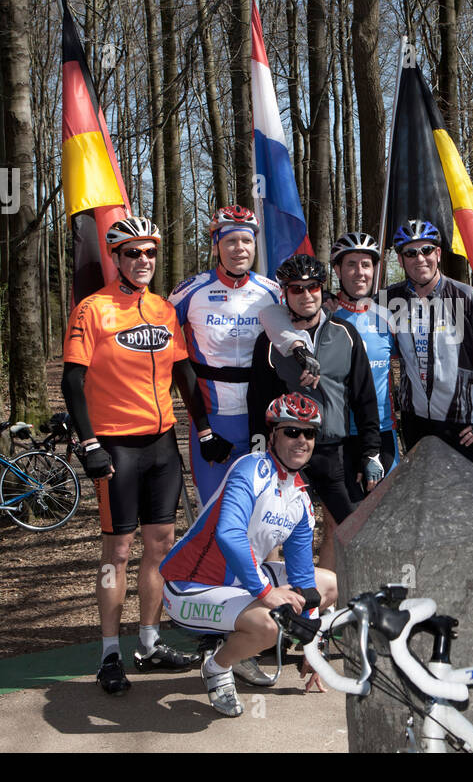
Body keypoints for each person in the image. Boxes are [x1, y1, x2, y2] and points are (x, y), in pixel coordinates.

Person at [61, 216, 199, 695]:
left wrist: (201, 426)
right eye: (133, 253)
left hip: (161, 444)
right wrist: (89, 444)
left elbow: (184, 373)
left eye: (151, 253)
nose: (144, 261)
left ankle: (150, 641)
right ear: (116, 258)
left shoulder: (163, 309)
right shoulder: (91, 309)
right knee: (116, 552)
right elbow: (72, 382)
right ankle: (109, 653)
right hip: (115, 444)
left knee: (160, 546)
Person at [159, 393, 338, 717]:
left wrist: (312, 644)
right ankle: (216, 667)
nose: (301, 440)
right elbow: (229, 533)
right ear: (273, 436)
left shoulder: (299, 496)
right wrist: (267, 593)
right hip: (189, 585)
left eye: (308, 433)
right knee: (268, 626)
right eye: (292, 431)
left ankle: (241, 651)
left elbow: (303, 579)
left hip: (241, 581)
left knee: (328, 584)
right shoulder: (250, 469)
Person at [247, 253, 381, 572]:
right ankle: (281, 604)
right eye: (297, 289)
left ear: (323, 288)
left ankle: (328, 602)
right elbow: (257, 399)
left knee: (343, 526)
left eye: (313, 287)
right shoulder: (270, 341)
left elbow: (364, 397)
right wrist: (256, 446)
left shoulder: (346, 333)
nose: (306, 295)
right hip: (286, 450)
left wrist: (371, 452)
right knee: (277, 530)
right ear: (285, 293)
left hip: (333, 448)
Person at [262, 231, 401, 503]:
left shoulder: (388, 316)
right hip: (335, 434)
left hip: (381, 430)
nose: (359, 272)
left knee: (384, 511)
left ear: (376, 269)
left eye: (366, 264)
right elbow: (273, 315)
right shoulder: (324, 312)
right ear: (337, 269)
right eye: (350, 264)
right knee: (340, 518)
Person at [169, 206, 282, 505]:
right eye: (230, 241)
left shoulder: (272, 292)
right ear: (217, 244)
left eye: (247, 241)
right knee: (214, 508)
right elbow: (160, 343)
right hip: (212, 419)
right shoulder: (190, 290)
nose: (239, 249)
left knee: (262, 509)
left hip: (260, 417)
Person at [385, 220, 473, 477]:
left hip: (465, 425)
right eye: (410, 253)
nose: (419, 258)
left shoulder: (468, 298)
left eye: (426, 250)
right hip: (416, 424)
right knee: (427, 506)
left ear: (438, 253)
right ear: (401, 260)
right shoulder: (389, 300)